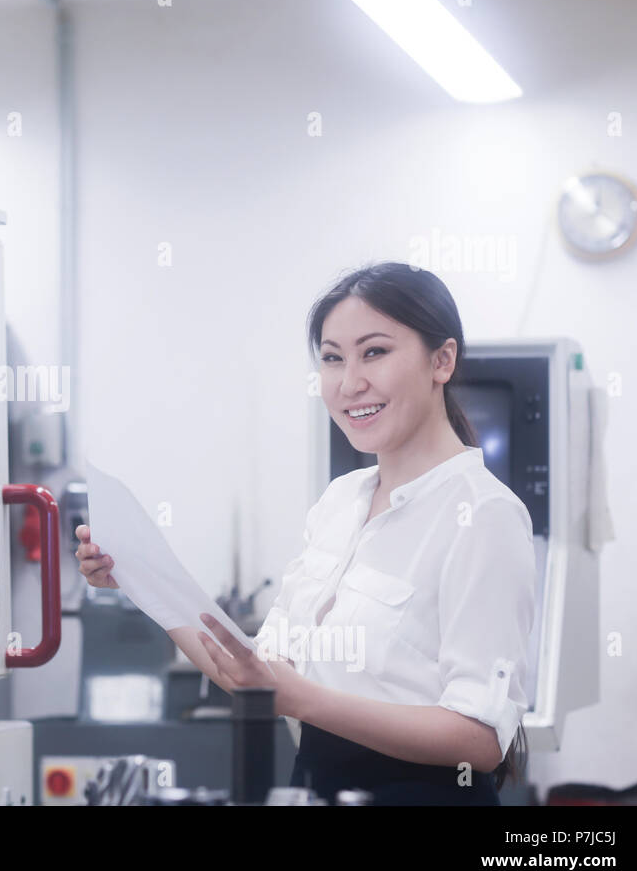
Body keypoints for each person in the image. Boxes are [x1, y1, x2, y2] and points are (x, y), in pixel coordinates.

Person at [76, 261, 535, 805]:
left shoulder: (483, 514)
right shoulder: (340, 502)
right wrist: (134, 576)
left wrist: (301, 699)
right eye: (332, 359)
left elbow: (479, 740)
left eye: (375, 352)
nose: (349, 382)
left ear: (442, 360)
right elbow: (253, 675)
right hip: (315, 788)